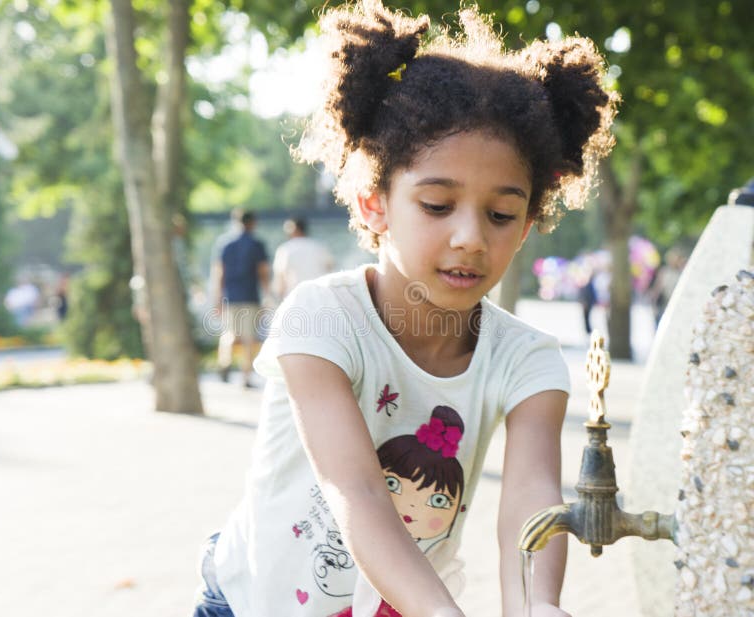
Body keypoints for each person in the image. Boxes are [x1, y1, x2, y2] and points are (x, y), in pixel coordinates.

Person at [192, 3, 616, 616]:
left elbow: (529, 501)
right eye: (438, 205)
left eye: (500, 215)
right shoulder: (320, 320)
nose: (471, 236)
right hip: (252, 603)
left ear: (525, 227)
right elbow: (358, 491)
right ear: (374, 205)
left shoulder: (528, 361)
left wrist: (537, 607)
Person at [212, 209, 270, 388]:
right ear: (253, 223)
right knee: (248, 338)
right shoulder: (256, 244)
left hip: (231, 296)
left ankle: (224, 363)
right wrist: (268, 294)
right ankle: (245, 377)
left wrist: (218, 297)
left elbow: (219, 272)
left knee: (229, 333)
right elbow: (262, 272)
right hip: (250, 295)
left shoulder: (225, 244)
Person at [272, 217, 335, 300]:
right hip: (319, 295)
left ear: (294, 230)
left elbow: (280, 278)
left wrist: (278, 297)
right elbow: (330, 269)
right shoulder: (319, 246)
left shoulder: (285, 249)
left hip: (294, 297)